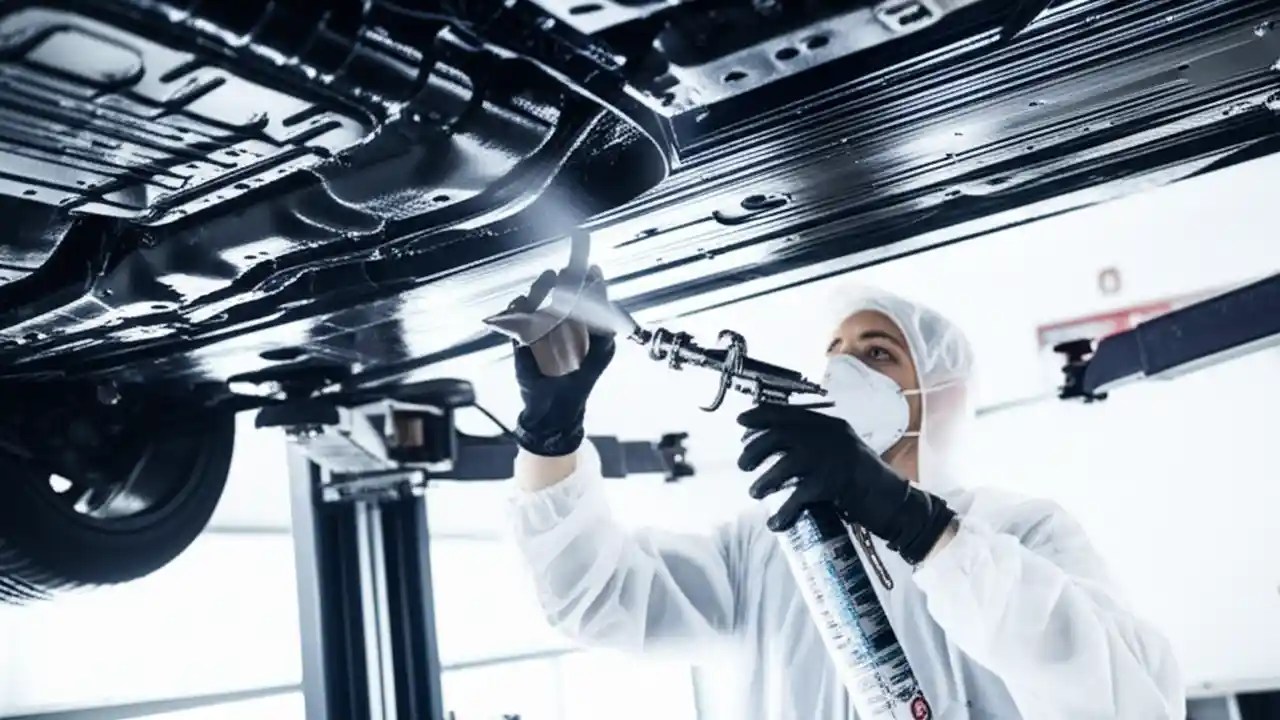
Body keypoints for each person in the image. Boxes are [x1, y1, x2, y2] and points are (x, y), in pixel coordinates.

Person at [503, 280, 1185, 719]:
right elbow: (596, 598)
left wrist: (916, 526)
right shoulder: (767, 546)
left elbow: (1125, 700)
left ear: (939, 394)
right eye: (834, 351)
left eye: (879, 353)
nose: (843, 368)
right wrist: (549, 436)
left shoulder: (1020, 532)